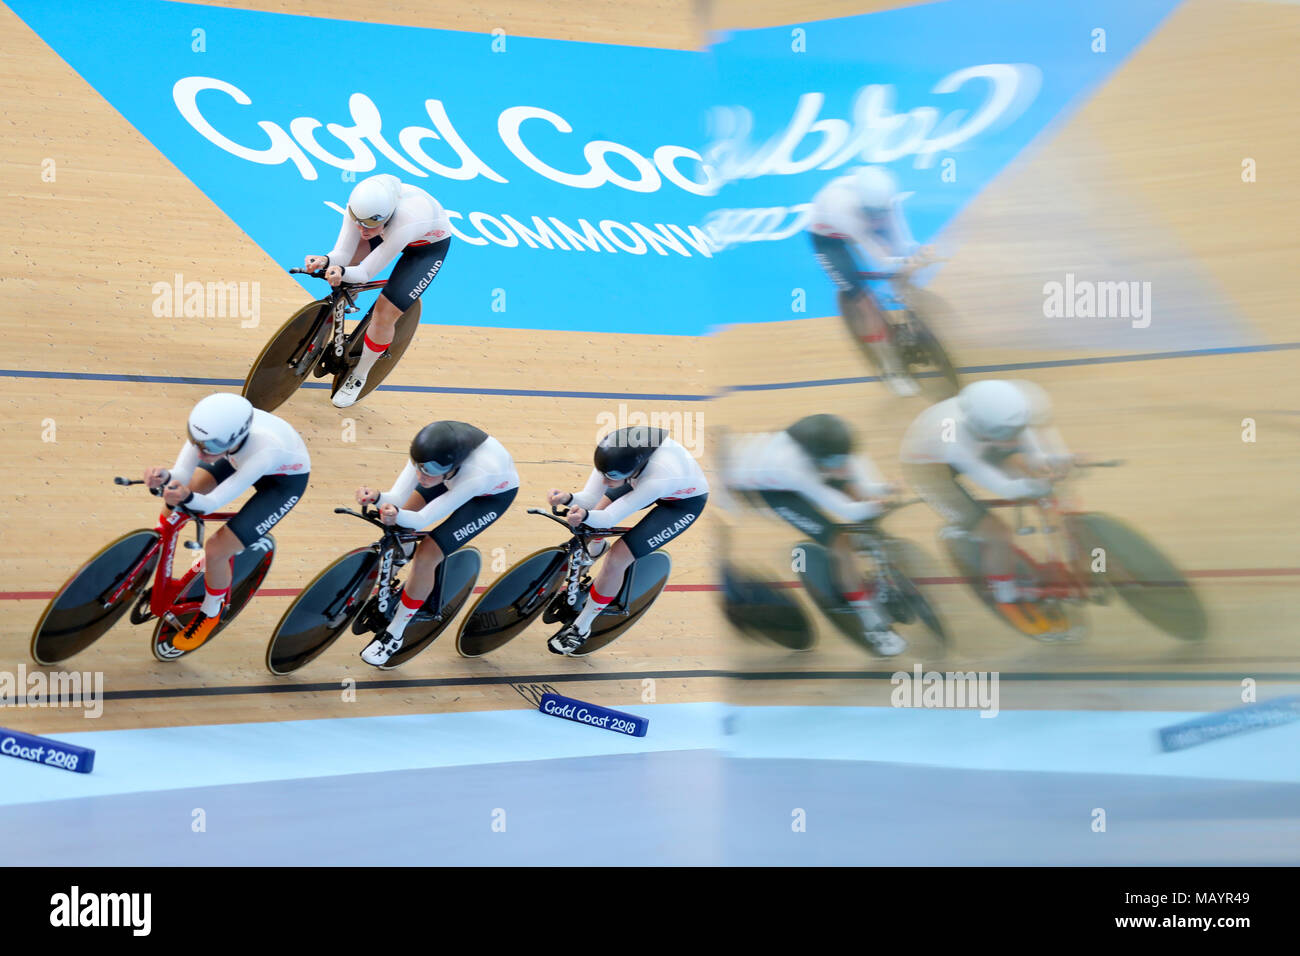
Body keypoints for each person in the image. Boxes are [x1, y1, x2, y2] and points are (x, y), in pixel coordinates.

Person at [900, 379, 1075, 634]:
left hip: (984, 443)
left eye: (1014, 429)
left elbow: (1033, 445)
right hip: (930, 468)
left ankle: (1063, 562)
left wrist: (1054, 462)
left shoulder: (1018, 405)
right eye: (1007, 432)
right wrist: (1031, 484)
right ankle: (1005, 594)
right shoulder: (953, 438)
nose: (1013, 435)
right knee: (997, 532)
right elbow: (1001, 485)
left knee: (1045, 486)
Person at [724, 413, 908, 656]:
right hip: (772, 489)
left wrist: (881, 490)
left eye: (844, 458)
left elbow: (857, 473)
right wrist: (871, 504)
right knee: (840, 541)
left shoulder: (837, 444)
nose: (843, 465)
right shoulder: (791, 467)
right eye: (835, 462)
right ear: (813, 457)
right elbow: (840, 508)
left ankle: (874, 571)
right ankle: (871, 621)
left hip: (791, 464)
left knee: (859, 496)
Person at [144, 393, 311, 652]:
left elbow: (211, 503)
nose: (200, 452)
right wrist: (165, 477)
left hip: (282, 483)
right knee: (178, 501)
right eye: (196, 443)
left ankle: (211, 611)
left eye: (208, 447)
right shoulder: (210, 434)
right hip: (233, 456)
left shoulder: (263, 451)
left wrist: (187, 495)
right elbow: (181, 474)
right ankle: (146, 558)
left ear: (235, 437)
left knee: (216, 549)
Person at [355, 421, 519, 666]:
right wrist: (377, 497)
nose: (421, 476)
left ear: (453, 466)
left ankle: (396, 633)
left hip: (489, 497)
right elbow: (397, 498)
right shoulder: (428, 459)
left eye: (428, 470)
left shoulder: (477, 475)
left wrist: (394, 513)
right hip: (448, 476)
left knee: (427, 555)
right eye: (418, 467)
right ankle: (402, 555)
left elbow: (423, 519)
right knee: (400, 523)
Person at [545, 426, 708, 656]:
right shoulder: (613, 460)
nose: (604, 480)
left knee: (617, 558)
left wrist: (585, 515)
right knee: (595, 516)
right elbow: (591, 498)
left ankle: (581, 628)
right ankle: (596, 546)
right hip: (639, 479)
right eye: (602, 473)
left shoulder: (658, 478)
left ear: (634, 468)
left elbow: (611, 517)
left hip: (682, 504)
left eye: (610, 477)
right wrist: (568, 498)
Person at [304, 173, 453, 408]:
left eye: (369, 225)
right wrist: (324, 259)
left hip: (425, 249)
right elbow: (342, 254)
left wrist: (344, 271)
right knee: (346, 266)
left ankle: (360, 374)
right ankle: (349, 293)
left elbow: (365, 272)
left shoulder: (405, 221)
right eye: (358, 222)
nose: (362, 229)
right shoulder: (361, 208)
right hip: (386, 230)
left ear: (387, 216)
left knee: (384, 314)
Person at [807, 165, 933, 397]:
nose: (879, 217)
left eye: (882, 211)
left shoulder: (885, 200)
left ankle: (913, 322)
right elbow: (877, 256)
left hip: (859, 223)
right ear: (861, 203)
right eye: (873, 213)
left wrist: (912, 256)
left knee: (905, 270)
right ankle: (892, 369)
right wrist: (900, 262)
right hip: (829, 240)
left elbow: (900, 237)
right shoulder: (842, 207)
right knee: (865, 302)